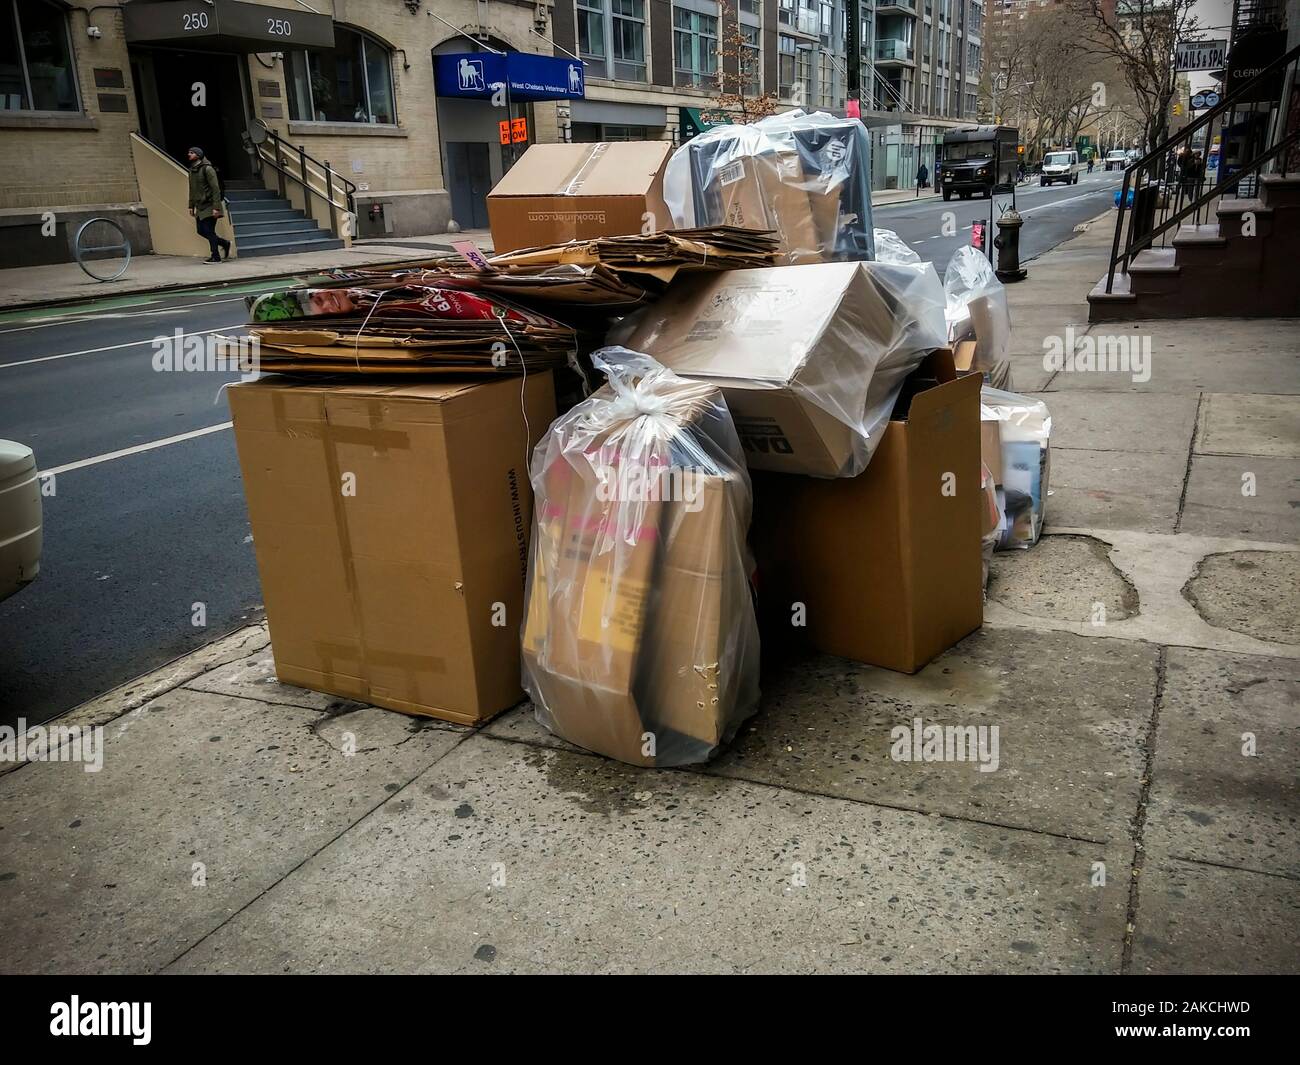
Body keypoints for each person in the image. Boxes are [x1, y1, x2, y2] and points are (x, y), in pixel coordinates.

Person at [187, 147, 230, 264]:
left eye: (192, 153)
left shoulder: (208, 169)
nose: (189, 154)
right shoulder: (191, 171)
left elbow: (215, 189)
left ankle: (215, 257)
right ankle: (224, 243)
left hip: (210, 205)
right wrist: (191, 206)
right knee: (201, 230)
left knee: (209, 231)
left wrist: (216, 207)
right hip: (200, 206)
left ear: (198, 155)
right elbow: (191, 189)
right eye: (189, 152)